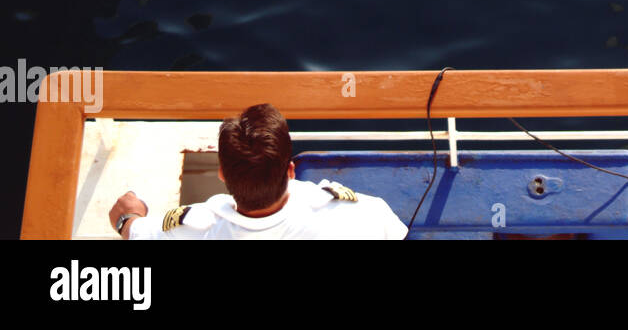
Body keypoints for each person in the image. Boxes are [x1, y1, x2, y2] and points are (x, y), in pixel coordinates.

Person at [109, 102, 407, 239]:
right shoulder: (357, 214)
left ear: (223, 174)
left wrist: (128, 217)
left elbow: (132, 228)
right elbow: (394, 230)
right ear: (290, 170)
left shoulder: (193, 230)